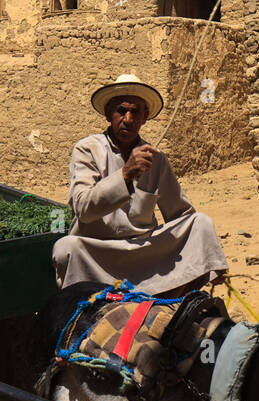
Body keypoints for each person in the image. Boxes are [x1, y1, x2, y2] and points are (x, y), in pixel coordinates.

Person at [53, 73, 228, 296]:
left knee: (201, 224)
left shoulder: (155, 159)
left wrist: (201, 250)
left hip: (143, 253)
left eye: (135, 112)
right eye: (121, 111)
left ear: (145, 118)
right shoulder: (87, 150)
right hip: (99, 255)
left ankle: (174, 296)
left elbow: (181, 214)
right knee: (65, 248)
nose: (128, 119)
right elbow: (84, 209)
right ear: (108, 114)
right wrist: (125, 175)